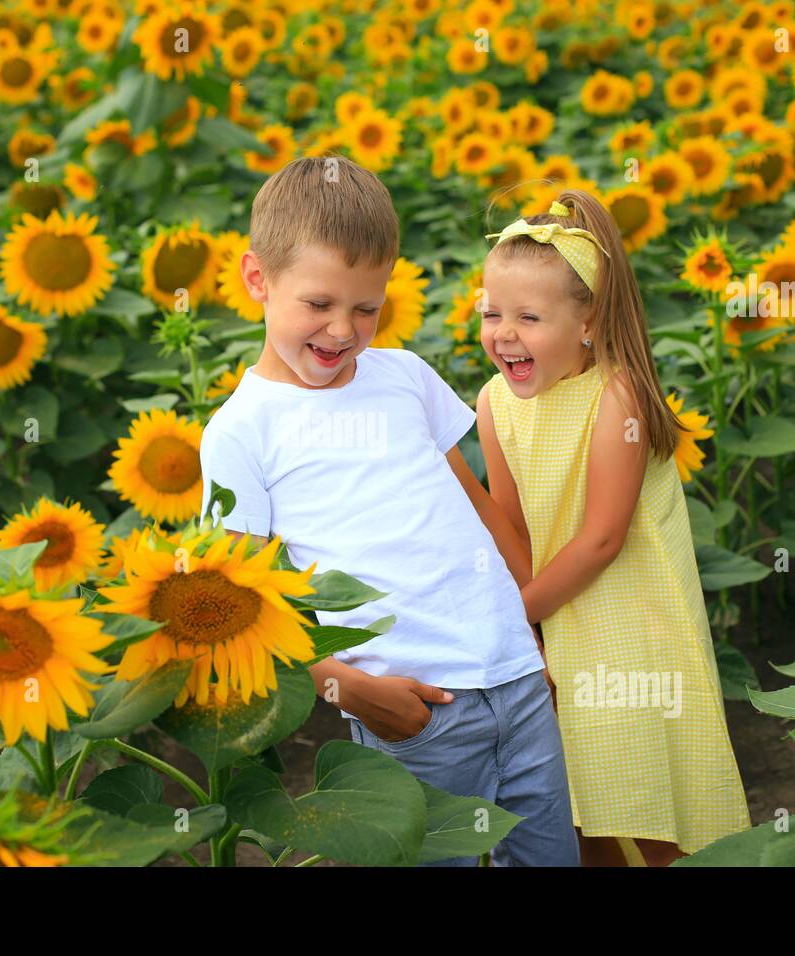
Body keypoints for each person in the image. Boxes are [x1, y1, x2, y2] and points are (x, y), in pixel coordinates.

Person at [198, 155, 578, 866]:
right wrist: (356, 691)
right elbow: (241, 605)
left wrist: (536, 628)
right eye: (319, 304)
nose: (342, 330)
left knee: (551, 858)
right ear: (257, 279)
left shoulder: (403, 376)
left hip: (515, 679)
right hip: (416, 706)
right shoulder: (240, 431)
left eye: (366, 308)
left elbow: (480, 511)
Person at [475, 189, 752, 866]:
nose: (503, 332)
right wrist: (530, 631)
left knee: (643, 789)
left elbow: (602, 540)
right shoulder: (493, 403)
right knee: (580, 800)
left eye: (529, 317)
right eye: (491, 314)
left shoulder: (616, 395)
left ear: (589, 320)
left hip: (631, 622)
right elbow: (512, 525)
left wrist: (514, 617)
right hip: (556, 616)